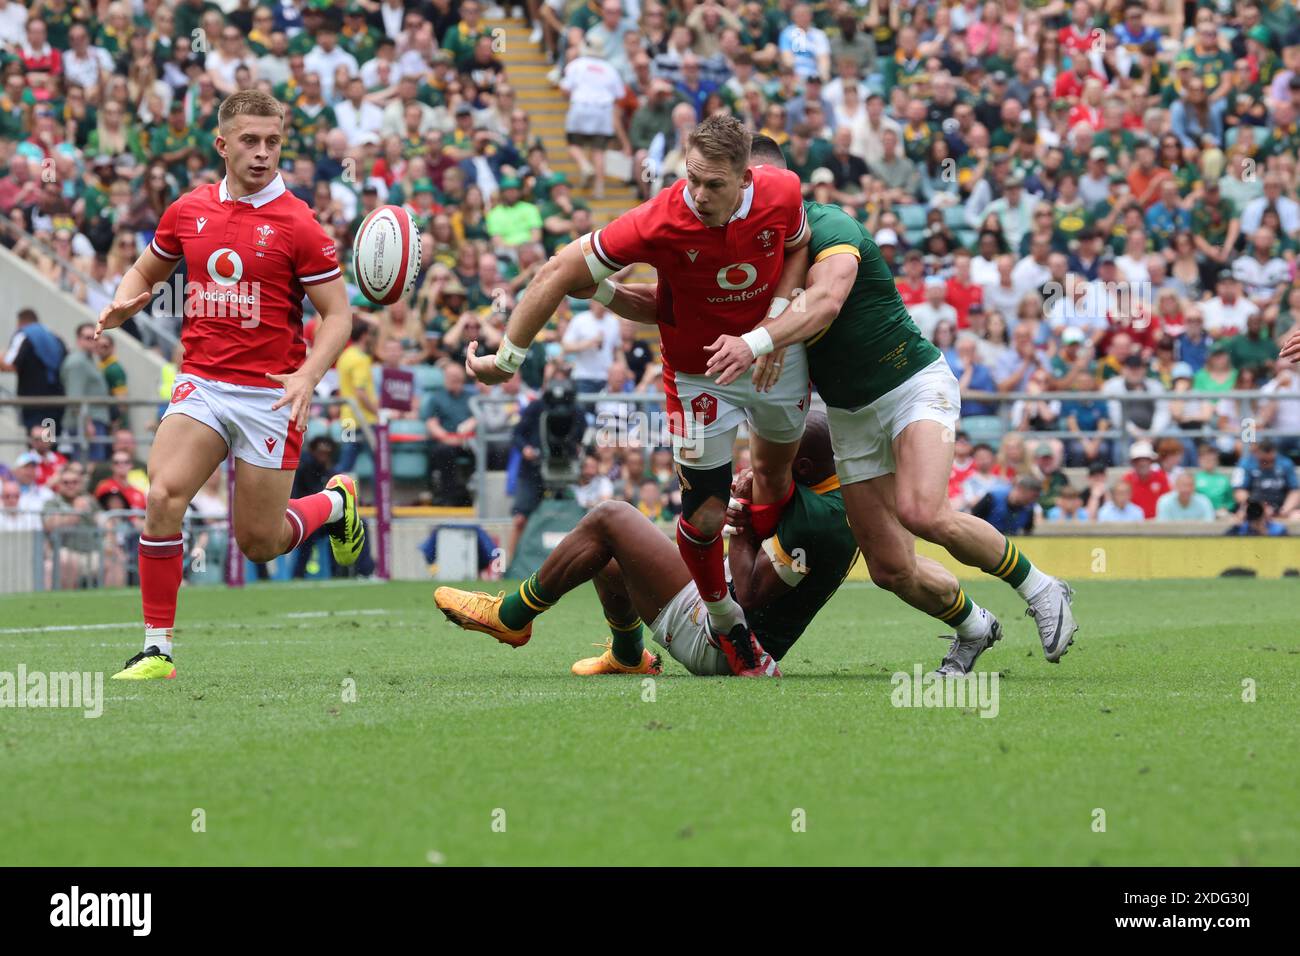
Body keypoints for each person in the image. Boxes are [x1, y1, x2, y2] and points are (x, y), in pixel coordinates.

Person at [698, 138, 1079, 668]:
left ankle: (1042, 588)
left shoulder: (831, 225)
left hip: (911, 386)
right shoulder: (752, 256)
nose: (752, 200)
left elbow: (826, 302)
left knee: (923, 512)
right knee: (889, 568)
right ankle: (972, 626)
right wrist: (603, 285)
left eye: (759, 187)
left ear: (785, 186)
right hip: (850, 417)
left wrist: (760, 339)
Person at [462, 116, 812, 677]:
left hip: (772, 358)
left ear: (747, 179)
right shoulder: (660, 219)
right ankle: (727, 623)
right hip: (700, 378)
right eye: (690, 178)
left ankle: (755, 604)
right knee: (703, 514)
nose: (698, 194)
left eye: (714, 184)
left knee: (774, 480)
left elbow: (797, 245)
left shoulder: (784, 192)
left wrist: (776, 320)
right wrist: (506, 360)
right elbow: (556, 271)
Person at [93, 91, 364, 681]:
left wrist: (308, 376)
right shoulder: (187, 210)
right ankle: (157, 649)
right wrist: (124, 299)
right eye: (250, 140)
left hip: (273, 392)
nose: (263, 153)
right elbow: (147, 266)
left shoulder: (300, 224)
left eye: (273, 141)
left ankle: (336, 502)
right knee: (163, 495)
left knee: (260, 543)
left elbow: (338, 316)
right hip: (204, 384)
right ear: (223, 144)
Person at [435, 413, 863, 678]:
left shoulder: (819, 520)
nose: (757, 465)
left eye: (771, 458)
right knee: (605, 549)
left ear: (801, 467)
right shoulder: (830, 490)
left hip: (728, 640)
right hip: (728, 612)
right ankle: (627, 656)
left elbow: (749, 593)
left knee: (611, 517)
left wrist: (745, 524)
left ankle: (513, 616)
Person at [0, 308, 66, 434]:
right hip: (56, 400)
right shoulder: (53, 336)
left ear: (20, 322)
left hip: (33, 401)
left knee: (37, 443)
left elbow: (10, 364)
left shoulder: (24, 334)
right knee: (50, 439)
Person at [1231, 440, 1300, 519]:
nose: (1267, 464)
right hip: (1254, 507)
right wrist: (1258, 508)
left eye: (1271, 461)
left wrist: (1284, 510)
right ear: (1256, 454)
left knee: (1297, 516)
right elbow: (1239, 492)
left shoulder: (1286, 463)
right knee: (1241, 516)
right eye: (1264, 461)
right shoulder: (1245, 463)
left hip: (1280, 507)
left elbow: (1294, 491)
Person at [1224, 499, 1288, 536]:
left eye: (1257, 508)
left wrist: (1263, 531)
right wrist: (1237, 524)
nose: (1254, 511)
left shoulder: (1278, 529)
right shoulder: (1239, 529)